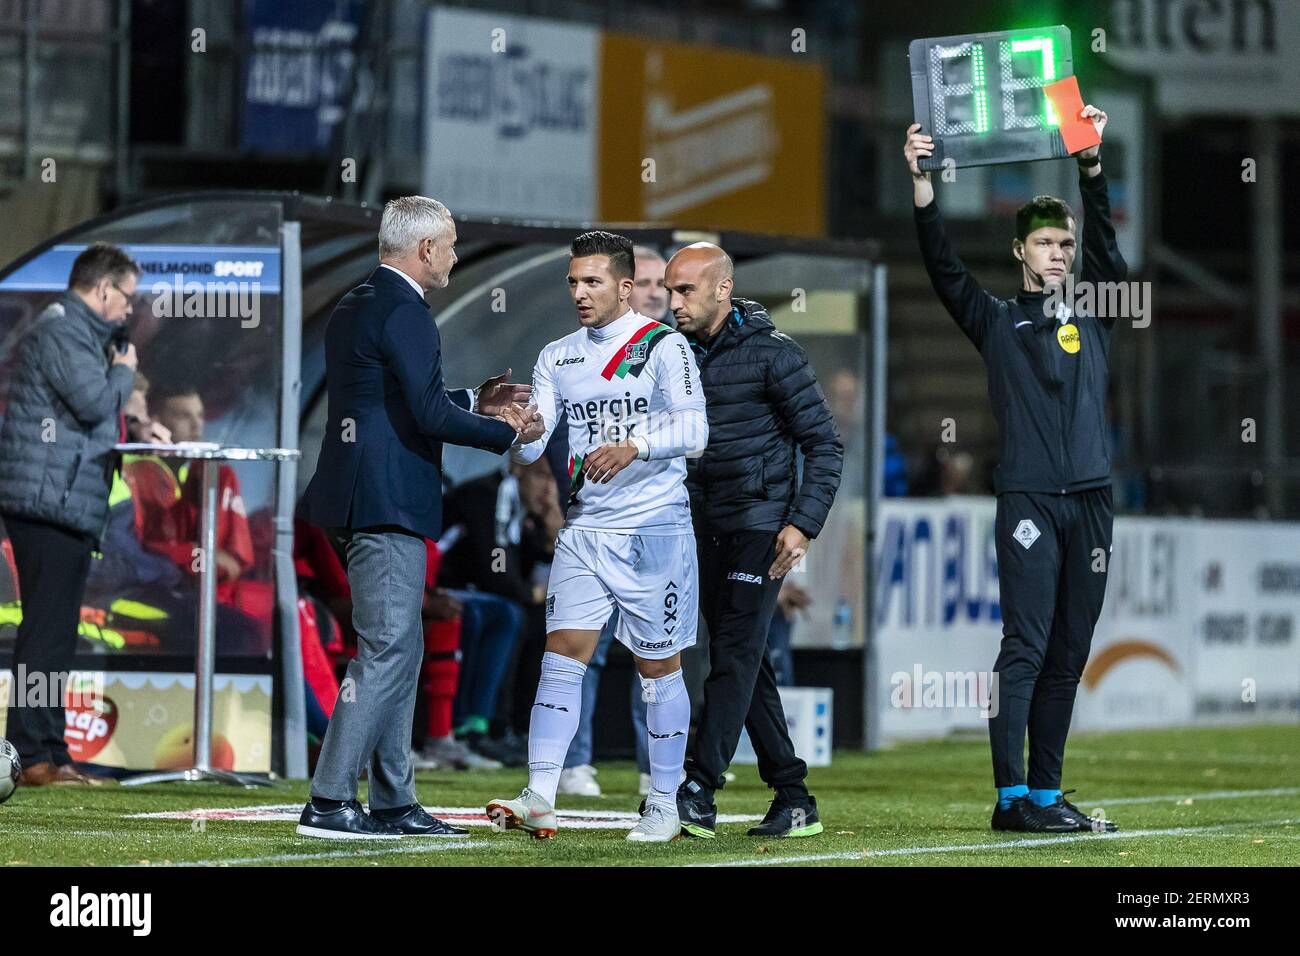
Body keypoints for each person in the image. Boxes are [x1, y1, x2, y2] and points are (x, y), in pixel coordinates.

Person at [905, 106, 1124, 833]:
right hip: (1030, 499)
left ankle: (1045, 796)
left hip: (1091, 500)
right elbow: (941, 268)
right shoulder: (996, 320)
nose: (1059, 253)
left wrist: (1090, 166)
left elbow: (1111, 258)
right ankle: (1008, 799)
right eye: (1045, 243)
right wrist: (923, 186)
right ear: (1019, 251)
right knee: (1025, 646)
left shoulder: (1094, 308)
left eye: (1066, 242)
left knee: (1069, 650)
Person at [295, 195, 543, 840]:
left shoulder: (360, 302)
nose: (457, 256)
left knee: (399, 649)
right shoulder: (406, 310)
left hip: (360, 495)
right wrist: (502, 429)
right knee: (385, 650)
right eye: (452, 244)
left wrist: (473, 398)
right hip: (386, 500)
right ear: (427, 248)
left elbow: (397, 403)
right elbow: (429, 416)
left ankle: (394, 800)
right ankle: (328, 799)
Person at [485, 231, 707, 842]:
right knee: (562, 656)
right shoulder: (557, 355)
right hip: (586, 528)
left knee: (658, 667)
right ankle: (539, 795)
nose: (580, 293)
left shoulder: (664, 347)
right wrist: (523, 428)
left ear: (625, 286)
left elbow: (694, 428)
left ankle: (663, 804)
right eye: (573, 282)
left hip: (655, 525)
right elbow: (536, 443)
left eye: (593, 282)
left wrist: (635, 443)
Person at [666, 242, 843, 839]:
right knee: (749, 661)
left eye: (685, 290)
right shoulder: (673, 354)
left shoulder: (774, 355)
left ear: (722, 289)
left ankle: (698, 789)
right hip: (701, 528)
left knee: (735, 654)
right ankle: (793, 796)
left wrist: (802, 523)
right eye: (669, 290)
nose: (674, 302)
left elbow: (824, 443)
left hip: (759, 527)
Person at [0, 242, 164, 786]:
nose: (130, 311)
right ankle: (30, 752)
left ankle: (50, 749)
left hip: (63, 502)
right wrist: (124, 371)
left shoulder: (80, 334)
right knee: (44, 633)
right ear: (102, 289)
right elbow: (95, 404)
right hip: (47, 502)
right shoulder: (62, 331)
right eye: (127, 298)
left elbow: (88, 417)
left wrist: (137, 425)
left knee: (55, 633)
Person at [559, 244, 667, 798]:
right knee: (586, 646)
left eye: (657, 283)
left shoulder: (675, 351)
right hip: (596, 521)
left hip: (658, 523)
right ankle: (574, 764)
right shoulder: (573, 356)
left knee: (655, 650)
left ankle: (656, 770)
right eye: (643, 281)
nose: (651, 291)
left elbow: (698, 434)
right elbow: (557, 438)